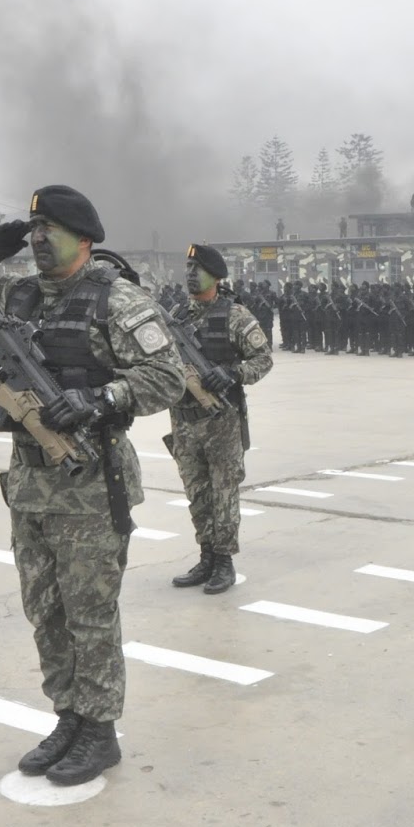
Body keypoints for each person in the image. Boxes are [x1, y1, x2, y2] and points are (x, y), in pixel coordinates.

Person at [0, 185, 186, 787]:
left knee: (89, 615)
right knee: (45, 611)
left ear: (83, 238)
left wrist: (100, 396)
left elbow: (168, 377)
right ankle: (68, 717)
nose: (36, 239)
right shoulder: (21, 293)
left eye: (47, 229)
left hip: (88, 483)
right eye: (30, 230)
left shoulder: (118, 299)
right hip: (29, 483)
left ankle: (99, 731)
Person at [167, 244, 274, 594]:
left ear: (216, 275)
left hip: (222, 421)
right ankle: (206, 556)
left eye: (197, 268)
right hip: (183, 419)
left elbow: (263, 359)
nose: (190, 274)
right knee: (196, 492)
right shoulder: (176, 315)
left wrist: (232, 373)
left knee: (223, 492)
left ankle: (224, 561)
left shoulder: (236, 315)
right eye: (187, 267)